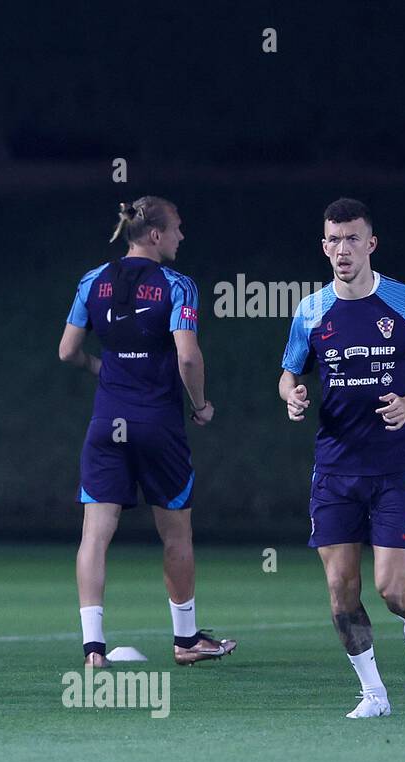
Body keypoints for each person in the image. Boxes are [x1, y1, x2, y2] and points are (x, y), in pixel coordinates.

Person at [279, 198, 405, 718]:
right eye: (333, 240)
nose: (342, 249)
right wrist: (291, 395)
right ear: (324, 246)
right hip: (334, 470)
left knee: (393, 590)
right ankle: (374, 693)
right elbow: (289, 373)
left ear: (370, 244)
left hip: (394, 467)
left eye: (352, 238)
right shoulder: (310, 310)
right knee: (341, 591)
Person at [59, 196, 235, 667]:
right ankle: (185, 641)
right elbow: (188, 356)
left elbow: (67, 351)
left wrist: (105, 369)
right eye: (177, 228)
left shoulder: (92, 280)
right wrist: (200, 405)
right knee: (176, 534)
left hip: (105, 423)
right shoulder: (178, 285)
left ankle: (93, 649)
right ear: (155, 235)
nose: (181, 236)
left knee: (94, 534)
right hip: (158, 424)